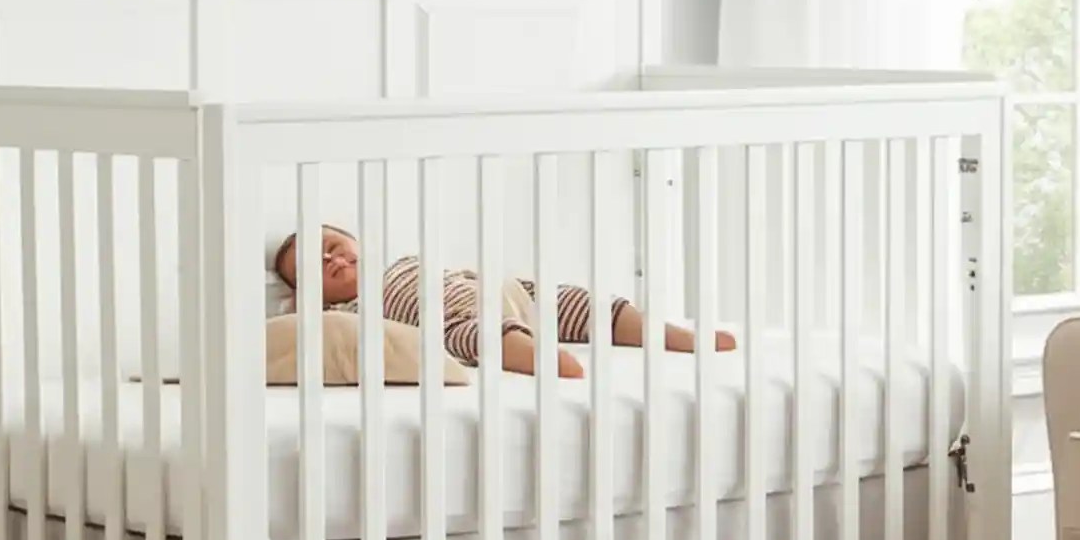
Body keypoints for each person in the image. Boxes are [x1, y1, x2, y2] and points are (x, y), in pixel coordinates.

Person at [273, 225, 737, 378]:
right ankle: (539, 357)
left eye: (335, 244)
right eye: (315, 265)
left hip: (493, 289)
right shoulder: (345, 313)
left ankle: (674, 335)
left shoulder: (402, 261)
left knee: (571, 300)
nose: (332, 258)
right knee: (470, 336)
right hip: (440, 316)